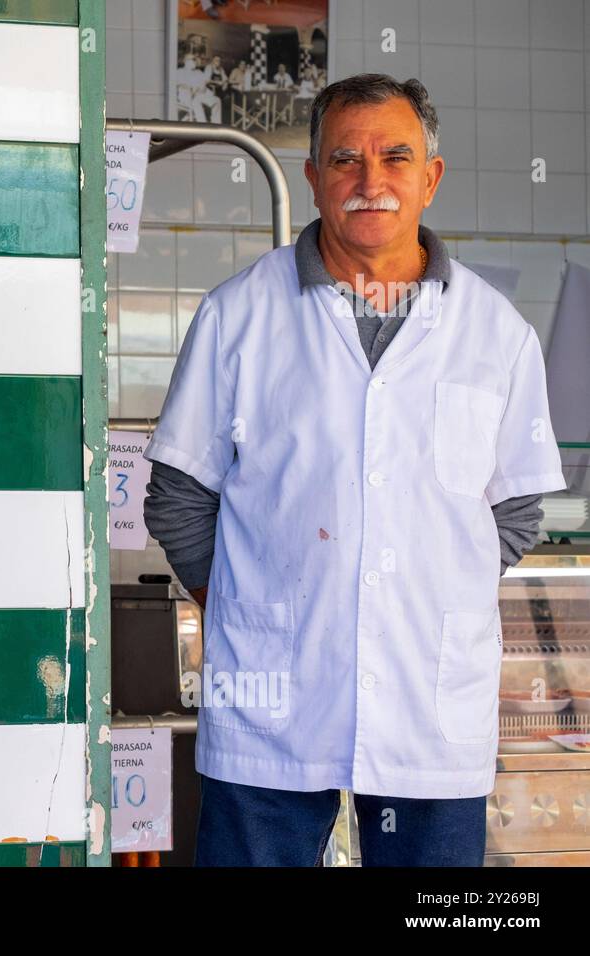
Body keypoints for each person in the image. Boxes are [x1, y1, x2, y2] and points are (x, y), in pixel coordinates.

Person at [143, 74, 565, 866]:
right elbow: (177, 496)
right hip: (270, 694)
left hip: (427, 700)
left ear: (430, 178)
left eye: (395, 157)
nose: (371, 181)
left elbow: (517, 510)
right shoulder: (239, 315)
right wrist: (248, 603)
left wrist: (428, 587)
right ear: (312, 178)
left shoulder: (494, 333)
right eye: (345, 159)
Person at [175, 54, 222, 123]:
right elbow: (176, 84)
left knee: (217, 100)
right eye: (192, 59)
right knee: (196, 101)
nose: (195, 61)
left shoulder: (198, 72)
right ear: (185, 61)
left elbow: (204, 83)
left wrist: (200, 88)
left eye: (195, 59)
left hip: (201, 94)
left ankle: (217, 125)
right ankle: (203, 125)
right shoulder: (179, 71)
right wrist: (190, 88)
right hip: (187, 95)